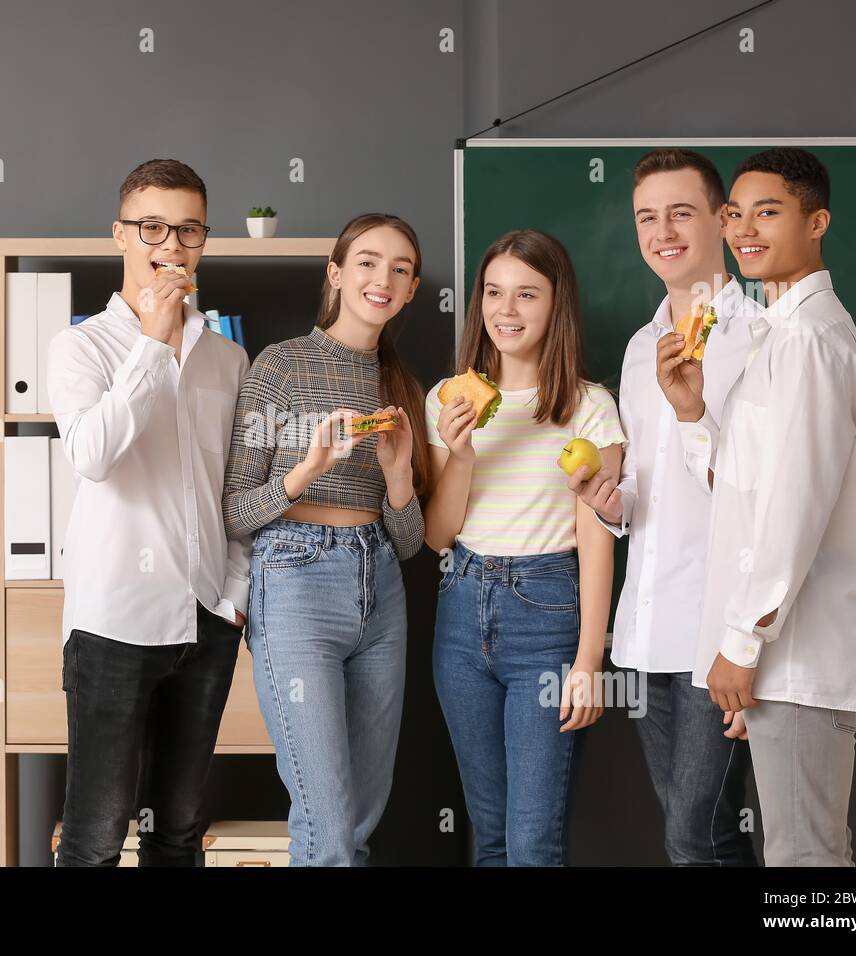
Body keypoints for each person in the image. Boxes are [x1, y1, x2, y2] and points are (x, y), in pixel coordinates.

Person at [664, 147, 856, 866]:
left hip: (795, 650)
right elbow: (749, 486)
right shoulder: (780, 335)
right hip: (781, 656)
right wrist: (694, 412)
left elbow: (792, 512)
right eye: (737, 212)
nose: (745, 230)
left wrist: (744, 642)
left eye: (770, 211)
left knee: (806, 860)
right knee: (804, 853)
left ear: (816, 221)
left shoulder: (810, 343)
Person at [47, 159, 250, 867]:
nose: (171, 243)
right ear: (120, 235)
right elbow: (93, 455)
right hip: (114, 621)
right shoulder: (80, 347)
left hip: (206, 615)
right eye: (153, 226)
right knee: (96, 835)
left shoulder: (228, 359)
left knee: (180, 830)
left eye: (188, 229)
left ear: (202, 240)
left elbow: (236, 485)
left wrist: (234, 595)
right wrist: (151, 345)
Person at [567, 148, 759, 865]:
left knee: (697, 836)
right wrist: (609, 501)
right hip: (647, 637)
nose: (663, 231)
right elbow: (647, 485)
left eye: (681, 212)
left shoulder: (761, 339)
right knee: (698, 838)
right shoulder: (642, 346)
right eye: (648, 217)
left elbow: (766, 500)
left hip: (722, 639)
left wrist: (750, 645)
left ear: (721, 219)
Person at [222, 213, 429, 866]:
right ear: (336, 274)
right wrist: (305, 473)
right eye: (367, 262)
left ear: (413, 289)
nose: (382, 278)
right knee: (328, 825)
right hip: (294, 584)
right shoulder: (279, 366)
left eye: (400, 269)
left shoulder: (401, 389)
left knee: (359, 824)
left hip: (381, 589)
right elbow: (233, 511)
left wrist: (399, 478)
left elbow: (411, 542)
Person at [424, 229, 624, 866]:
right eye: (493, 292)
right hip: (459, 613)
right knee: (490, 840)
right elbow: (437, 535)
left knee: (533, 845)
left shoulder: (589, 407)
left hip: (547, 619)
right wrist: (458, 454)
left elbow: (597, 541)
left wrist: (589, 662)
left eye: (526, 295)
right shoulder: (449, 400)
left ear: (556, 303)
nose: (505, 311)